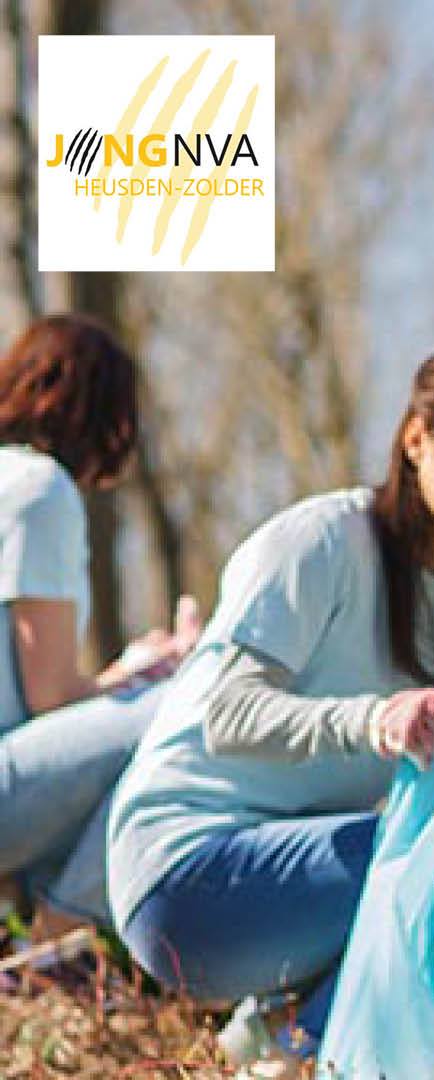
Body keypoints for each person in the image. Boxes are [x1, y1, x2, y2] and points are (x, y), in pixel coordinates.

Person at [106, 341, 434, 1070]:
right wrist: (372, 719)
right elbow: (225, 714)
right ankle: (301, 1049)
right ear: (416, 439)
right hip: (185, 878)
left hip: (295, 887)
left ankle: (276, 1039)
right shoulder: (321, 542)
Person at [0, 314, 199, 944]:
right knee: (184, 709)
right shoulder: (38, 489)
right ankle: (56, 942)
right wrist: (142, 672)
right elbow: (50, 697)